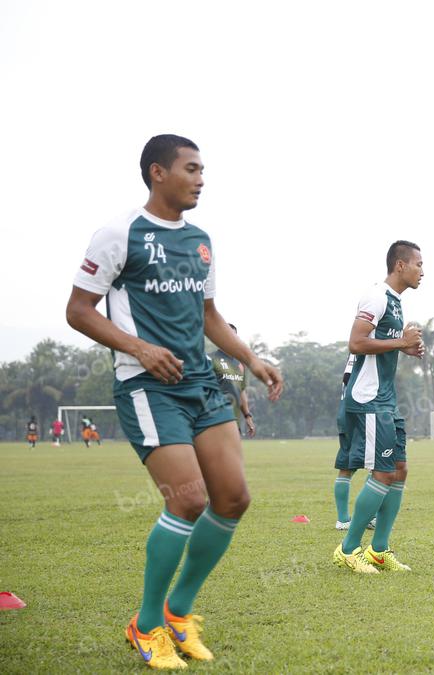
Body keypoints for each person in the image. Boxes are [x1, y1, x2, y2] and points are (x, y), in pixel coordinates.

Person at [65, 134, 284, 668]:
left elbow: (209, 315)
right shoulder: (119, 234)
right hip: (147, 386)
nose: (201, 178)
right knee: (187, 499)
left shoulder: (202, 240)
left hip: (202, 384)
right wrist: (139, 347)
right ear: (157, 173)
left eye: (203, 169)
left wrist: (249, 358)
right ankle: (145, 627)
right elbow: (78, 309)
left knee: (232, 498)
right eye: (191, 168)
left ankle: (178, 613)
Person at [333, 240, 424, 575]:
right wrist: (402, 342)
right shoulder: (376, 295)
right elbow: (356, 343)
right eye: (418, 264)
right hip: (369, 398)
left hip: (387, 399)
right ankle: (348, 549)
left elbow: (382, 346)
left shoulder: (397, 304)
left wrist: (407, 349)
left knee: (399, 470)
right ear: (400, 265)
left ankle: (379, 550)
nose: (422, 271)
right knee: (383, 472)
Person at [332, 353, 377, 531]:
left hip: (345, 413)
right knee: (378, 465)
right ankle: (368, 517)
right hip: (360, 412)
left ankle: (343, 519)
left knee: (346, 468)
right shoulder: (364, 350)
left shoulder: (356, 350)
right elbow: (348, 376)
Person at [209, 323, 255, 438]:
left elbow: (242, 391)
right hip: (214, 419)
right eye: (227, 335)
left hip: (234, 420)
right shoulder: (210, 359)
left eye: (234, 336)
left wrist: (248, 416)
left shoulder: (240, 363)